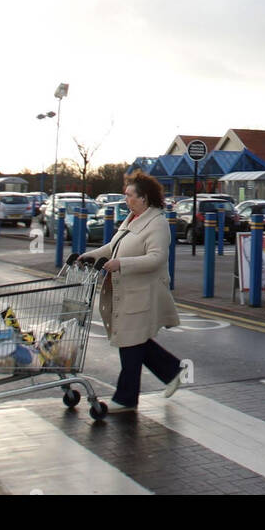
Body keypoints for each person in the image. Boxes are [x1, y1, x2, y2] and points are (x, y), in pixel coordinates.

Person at [81, 170, 183, 412]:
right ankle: (172, 371)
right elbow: (113, 246)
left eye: (129, 196)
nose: (126, 200)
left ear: (144, 198)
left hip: (143, 293)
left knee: (130, 342)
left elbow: (157, 258)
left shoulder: (157, 224)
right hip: (126, 291)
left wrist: (121, 264)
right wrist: (91, 255)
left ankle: (126, 398)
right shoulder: (132, 219)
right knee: (134, 341)